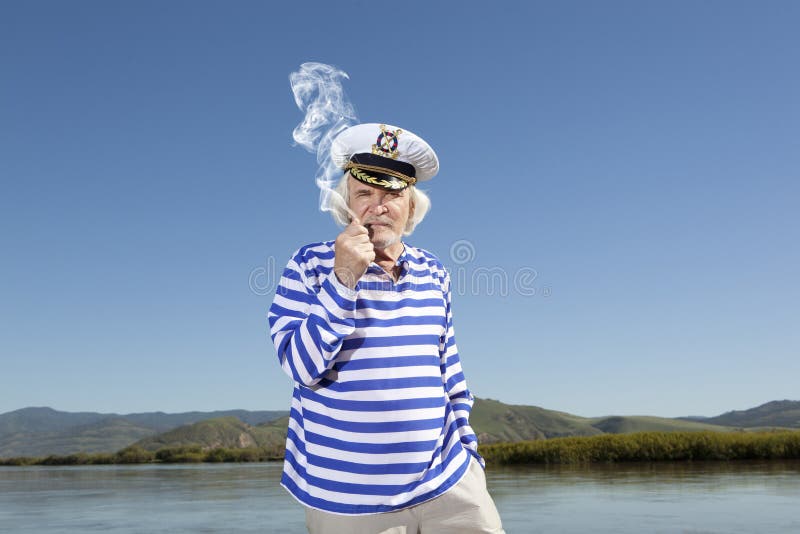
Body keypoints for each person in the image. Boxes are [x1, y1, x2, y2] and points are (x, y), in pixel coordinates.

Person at [268, 123, 504, 533]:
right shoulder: (307, 265)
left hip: (449, 486)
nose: (379, 206)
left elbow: (448, 367)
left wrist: (469, 453)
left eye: (393, 195)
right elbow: (300, 367)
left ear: (411, 207)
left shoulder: (434, 270)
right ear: (346, 205)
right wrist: (343, 279)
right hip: (348, 501)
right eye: (364, 194)